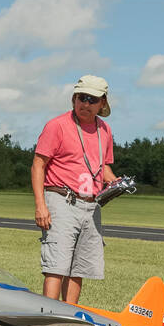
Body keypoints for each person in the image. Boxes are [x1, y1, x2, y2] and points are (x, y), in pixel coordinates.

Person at [31, 75, 121, 309]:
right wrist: (41, 205)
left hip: (91, 204)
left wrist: (115, 182)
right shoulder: (57, 126)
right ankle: (47, 324)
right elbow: (38, 164)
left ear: (103, 103)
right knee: (55, 266)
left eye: (92, 99)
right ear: (74, 98)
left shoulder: (105, 130)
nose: (86, 104)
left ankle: (67, 324)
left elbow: (102, 167)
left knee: (78, 268)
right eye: (82, 98)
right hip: (61, 199)